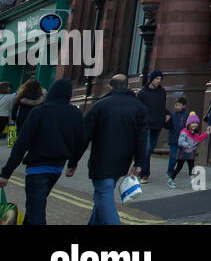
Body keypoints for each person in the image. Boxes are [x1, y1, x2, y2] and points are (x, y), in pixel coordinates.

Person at [0, 78, 85, 224]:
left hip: (37, 169)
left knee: (36, 212)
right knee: (35, 206)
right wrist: (73, 163)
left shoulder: (40, 112)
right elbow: (82, 141)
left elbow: (21, 145)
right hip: (57, 169)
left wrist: (6, 173)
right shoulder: (76, 114)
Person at [74, 74, 149, 225]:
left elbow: (84, 136)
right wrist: (139, 162)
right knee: (103, 194)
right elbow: (142, 139)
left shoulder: (100, 105)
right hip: (122, 161)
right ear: (128, 86)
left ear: (109, 87)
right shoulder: (139, 107)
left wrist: (73, 161)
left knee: (103, 193)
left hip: (101, 160)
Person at [136, 70, 167, 184]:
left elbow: (162, 107)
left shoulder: (162, 92)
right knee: (147, 149)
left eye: (160, 79)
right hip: (146, 126)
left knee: (149, 150)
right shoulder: (142, 93)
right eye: (156, 78)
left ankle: (138, 166)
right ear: (151, 79)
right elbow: (138, 109)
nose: (158, 81)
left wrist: (166, 114)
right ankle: (145, 174)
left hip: (157, 125)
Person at [169, 114, 208, 188]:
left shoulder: (195, 133)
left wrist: (206, 133)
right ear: (188, 124)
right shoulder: (184, 132)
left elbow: (198, 140)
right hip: (182, 153)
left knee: (191, 168)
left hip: (191, 153)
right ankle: (171, 179)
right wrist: (187, 145)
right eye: (193, 123)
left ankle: (192, 181)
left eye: (196, 123)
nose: (195, 124)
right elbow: (180, 141)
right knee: (178, 167)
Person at [163, 96, 187, 181]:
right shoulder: (172, 115)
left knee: (180, 157)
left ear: (184, 106)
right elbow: (168, 126)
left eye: (179, 105)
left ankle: (177, 169)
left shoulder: (186, 115)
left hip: (183, 140)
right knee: (173, 156)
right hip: (173, 139)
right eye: (176, 105)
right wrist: (166, 122)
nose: (176, 107)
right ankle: (170, 171)